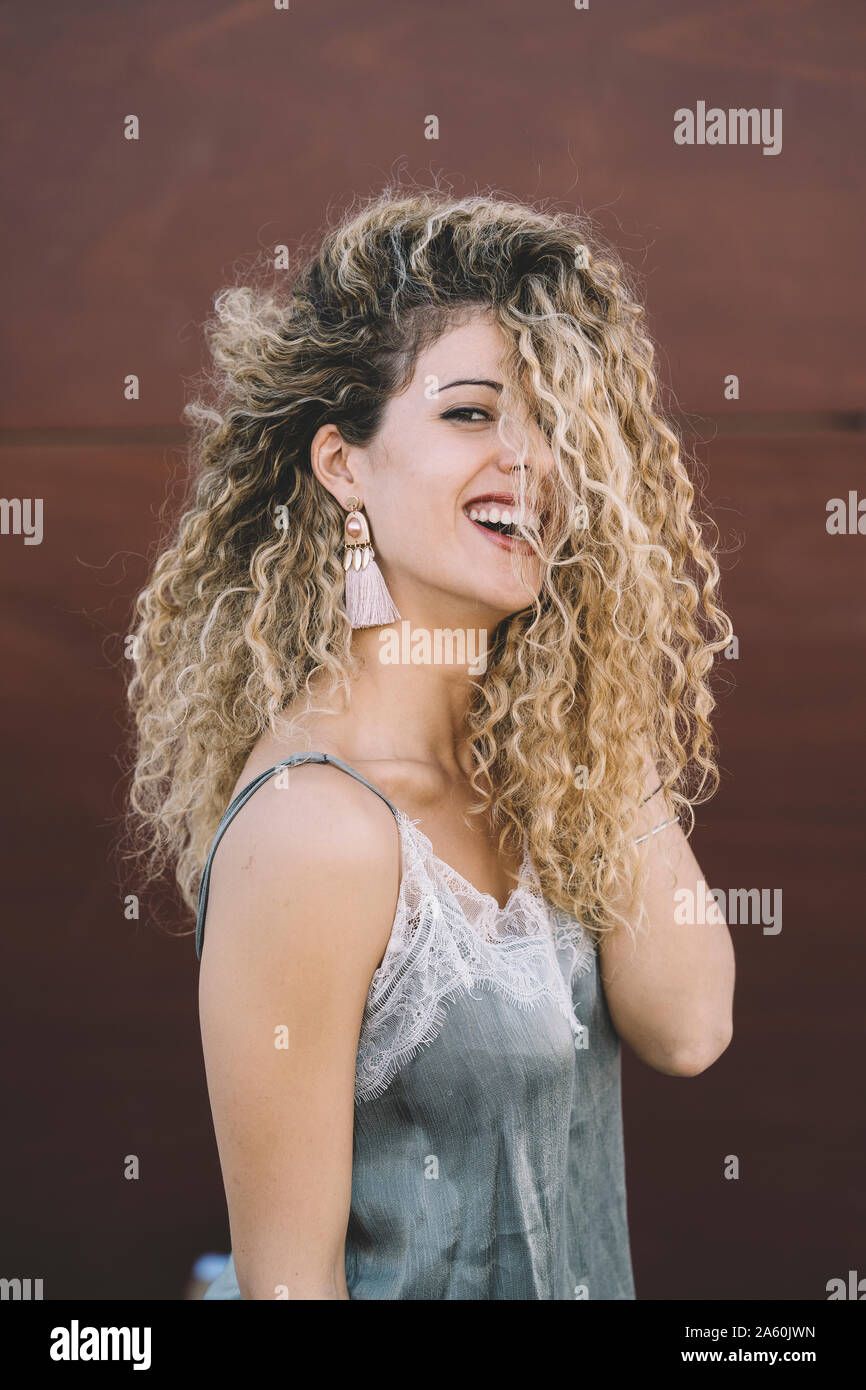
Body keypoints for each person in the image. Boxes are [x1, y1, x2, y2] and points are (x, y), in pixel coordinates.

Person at [125, 185, 736, 1300]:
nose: (530, 461)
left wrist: (598, 673)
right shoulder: (315, 830)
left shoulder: (544, 767)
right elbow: (287, 1289)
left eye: (553, 421)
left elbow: (688, 1025)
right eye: (470, 413)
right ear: (342, 464)